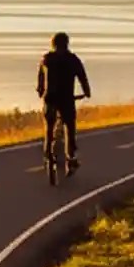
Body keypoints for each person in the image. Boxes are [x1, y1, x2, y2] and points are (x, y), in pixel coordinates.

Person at [36, 32, 91, 177]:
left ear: (53, 44)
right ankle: (71, 156)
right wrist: (87, 92)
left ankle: (48, 152)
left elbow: (41, 79)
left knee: (49, 126)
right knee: (69, 126)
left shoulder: (46, 59)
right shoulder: (73, 59)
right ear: (67, 43)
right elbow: (82, 78)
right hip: (66, 99)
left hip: (50, 98)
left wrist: (41, 91)